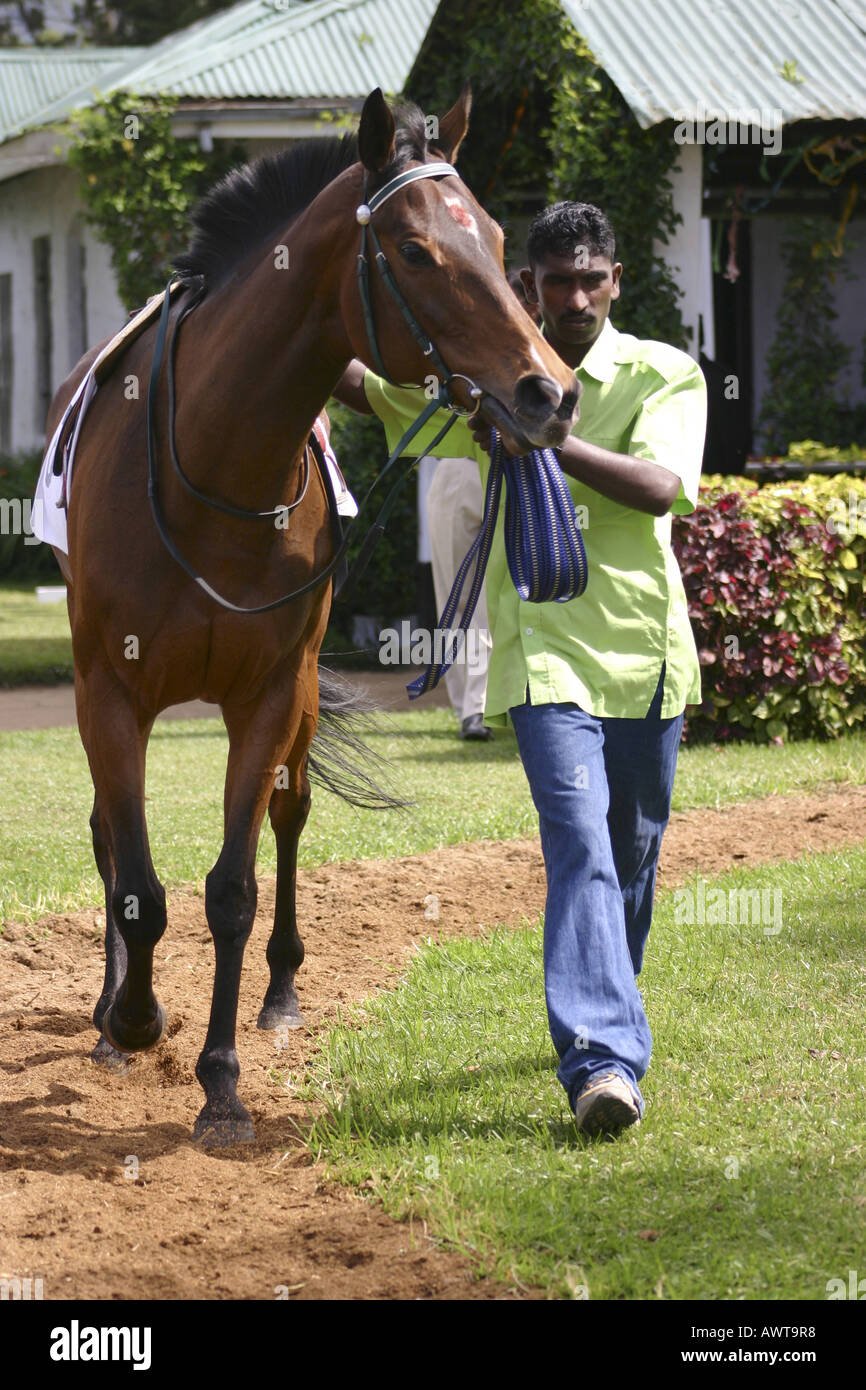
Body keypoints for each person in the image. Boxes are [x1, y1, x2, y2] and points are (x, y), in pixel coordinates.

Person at [333, 202, 706, 1136]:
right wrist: (259, 288)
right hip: (543, 660)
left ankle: (609, 998)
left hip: (645, 658)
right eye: (556, 280)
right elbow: (365, 385)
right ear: (527, 286)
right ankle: (602, 1063)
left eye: (592, 278)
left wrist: (537, 429)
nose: (575, 296)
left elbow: (661, 488)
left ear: (616, 279)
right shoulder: (482, 388)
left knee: (630, 861)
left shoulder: (662, 372)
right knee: (577, 843)